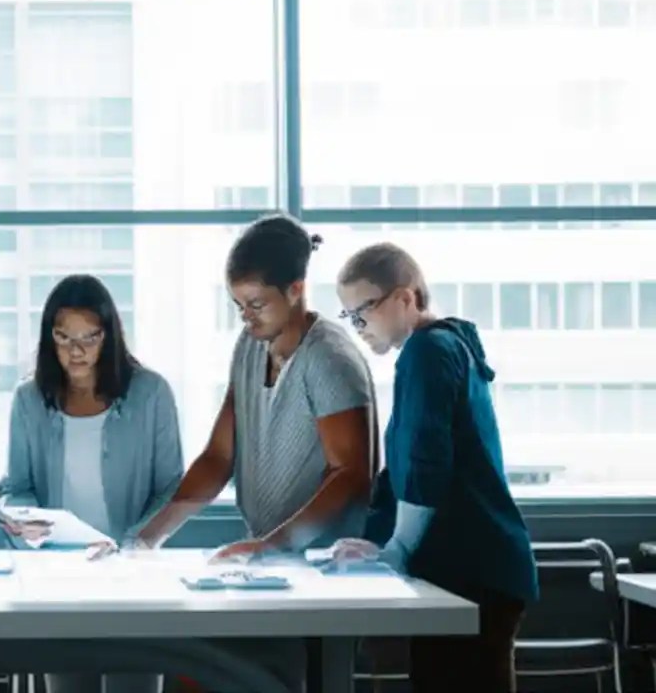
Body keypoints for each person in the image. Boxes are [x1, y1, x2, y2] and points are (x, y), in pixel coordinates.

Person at [331, 242, 537, 693]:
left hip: (472, 571)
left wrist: (398, 548)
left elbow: (427, 461)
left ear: (406, 298)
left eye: (362, 311)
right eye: (350, 317)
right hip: (474, 568)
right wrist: (378, 541)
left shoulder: (428, 352)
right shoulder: (439, 348)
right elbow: (404, 467)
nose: (357, 328)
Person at [132, 215, 378, 559]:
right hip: (268, 555)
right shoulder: (249, 347)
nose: (246, 317)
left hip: (325, 561)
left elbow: (350, 476)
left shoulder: (330, 359)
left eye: (257, 304)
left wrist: (273, 545)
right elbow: (219, 456)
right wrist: (148, 538)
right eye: (239, 305)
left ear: (295, 290)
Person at [0, 274, 183, 693]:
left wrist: (137, 541)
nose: (76, 351)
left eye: (88, 338)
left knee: (133, 684)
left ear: (110, 336)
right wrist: (29, 524)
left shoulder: (151, 393)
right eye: (64, 338)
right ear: (50, 339)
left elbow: (172, 486)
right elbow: (16, 486)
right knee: (68, 683)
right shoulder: (29, 399)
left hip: (133, 570)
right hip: (60, 573)